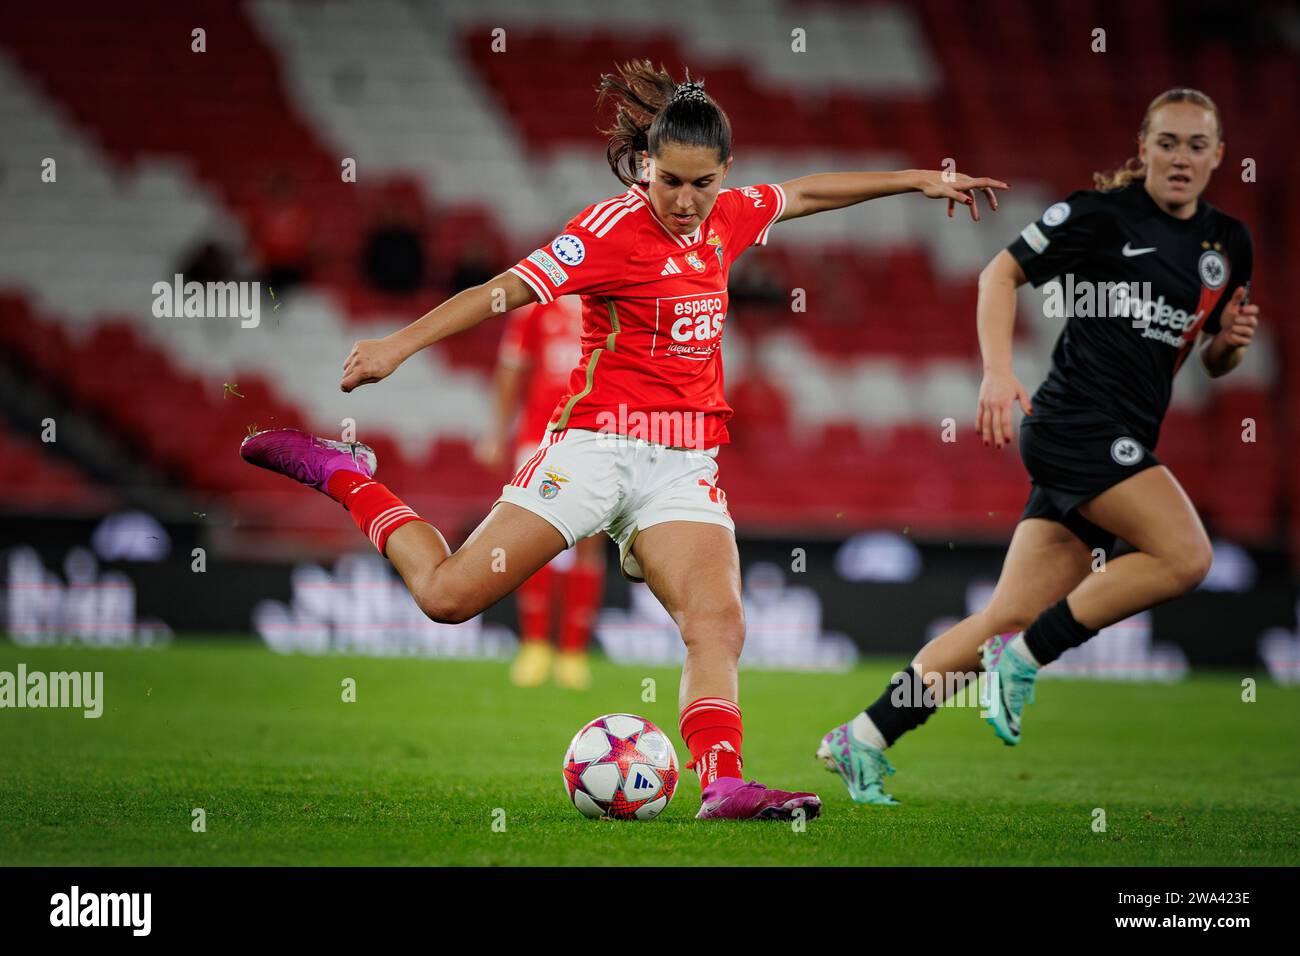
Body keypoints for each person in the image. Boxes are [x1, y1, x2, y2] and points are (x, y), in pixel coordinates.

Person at [242, 60, 1005, 820]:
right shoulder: (608, 231)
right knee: (447, 598)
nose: (684, 200)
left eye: (701, 183)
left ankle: (724, 784)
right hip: (595, 449)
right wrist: (398, 345)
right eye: (669, 181)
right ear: (645, 166)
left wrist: (915, 179)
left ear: (724, 173)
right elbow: (503, 289)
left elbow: (804, 193)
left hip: (682, 465)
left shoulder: (729, 216)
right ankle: (344, 473)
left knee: (717, 624)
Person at [817, 88, 1259, 805]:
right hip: (1074, 426)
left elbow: (1210, 360)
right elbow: (999, 273)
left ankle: (864, 736)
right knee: (1187, 557)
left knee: (1005, 615)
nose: (1181, 157)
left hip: (1118, 441)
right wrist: (997, 370)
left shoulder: (1228, 245)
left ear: (1219, 156)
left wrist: (1229, 347)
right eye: (1167, 142)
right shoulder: (1099, 215)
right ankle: (1025, 659)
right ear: (1143, 147)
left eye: (1196, 145)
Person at [475, 295, 605, 690]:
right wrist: (497, 433)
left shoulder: (613, 298)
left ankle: (573, 652)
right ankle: (534, 646)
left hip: (599, 436)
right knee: (532, 540)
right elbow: (511, 368)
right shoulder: (538, 304)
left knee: (590, 541)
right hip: (541, 436)